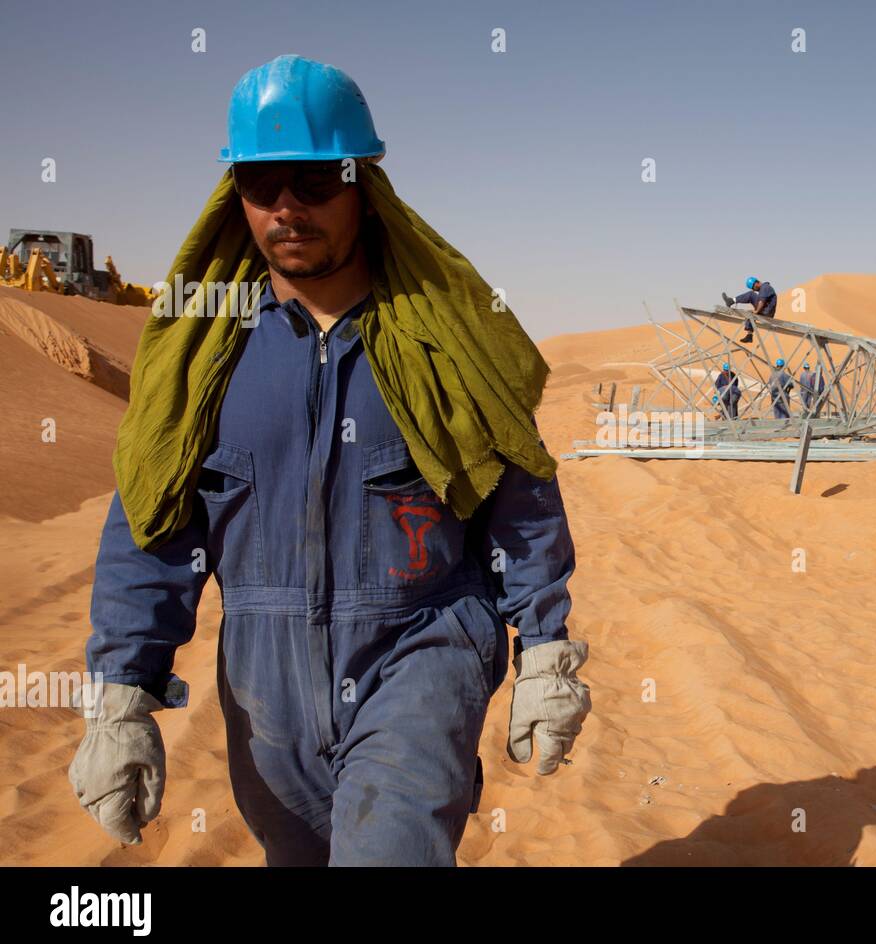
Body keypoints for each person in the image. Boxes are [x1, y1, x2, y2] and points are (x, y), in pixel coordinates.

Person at [68, 55, 591, 867]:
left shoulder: (438, 344)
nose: (286, 207)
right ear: (234, 193)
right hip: (263, 688)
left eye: (314, 183)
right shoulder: (208, 361)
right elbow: (153, 523)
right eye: (262, 182)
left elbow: (517, 488)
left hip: (422, 651)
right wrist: (121, 696)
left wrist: (546, 647)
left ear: (362, 186)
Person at [723, 276, 778, 343]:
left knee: (751, 295)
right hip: (766, 311)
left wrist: (756, 311)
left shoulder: (765, 287)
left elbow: (762, 302)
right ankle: (749, 335)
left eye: (753, 288)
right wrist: (755, 312)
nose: (754, 290)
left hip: (767, 312)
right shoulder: (764, 288)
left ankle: (731, 301)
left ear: (756, 283)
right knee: (750, 314)